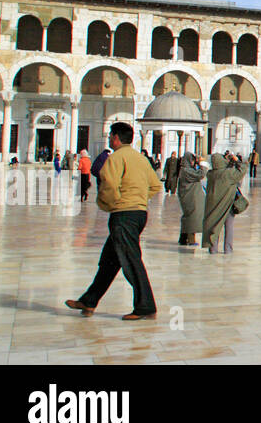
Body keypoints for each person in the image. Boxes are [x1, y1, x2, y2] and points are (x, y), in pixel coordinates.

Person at [65, 121, 161, 320]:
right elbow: (155, 186)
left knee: (131, 260)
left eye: (111, 136)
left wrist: (110, 205)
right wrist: (139, 199)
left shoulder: (116, 158)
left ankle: (146, 306)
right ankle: (89, 301)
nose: (110, 139)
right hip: (138, 213)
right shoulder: (141, 158)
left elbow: (109, 184)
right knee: (110, 260)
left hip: (124, 214)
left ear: (116, 138)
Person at [202, 151, 248, 253]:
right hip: (228, 205)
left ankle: (213, 249)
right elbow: (243, 169)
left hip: (214, 206)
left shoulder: (211, 174)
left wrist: (229, 163)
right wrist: (236, 160)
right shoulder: (228, 174)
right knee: (229, 227)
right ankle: (228, 249)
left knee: (214, 227)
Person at [177, 152, 206, 246]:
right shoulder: (186, 171)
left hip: (190, 196)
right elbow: (201, 174)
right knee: (192, 216)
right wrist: (202, 163)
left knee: (189, 216)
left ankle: (183, 237)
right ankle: (191, 239)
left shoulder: (186, 170)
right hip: (191, 198)